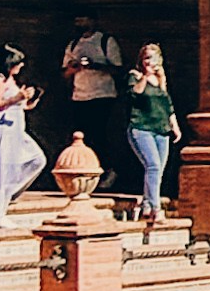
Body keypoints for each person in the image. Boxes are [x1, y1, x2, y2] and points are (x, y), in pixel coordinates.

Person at [0, 48, 46, 230]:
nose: (21, 66)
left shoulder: (12, 81)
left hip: (16, 128)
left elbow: (21, 106)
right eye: (18, 62)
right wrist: (16, 97)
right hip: (1, 128)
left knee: (36, 159)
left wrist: (31, 99)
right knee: (1, 170)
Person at [62, 17, 126, 182]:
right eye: (77, 21)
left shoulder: (105, 41)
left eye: (83, 21)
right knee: (81, 135)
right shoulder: (74, 44)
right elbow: (64, 73)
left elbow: (118, 69)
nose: (80, 25)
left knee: (100, 134)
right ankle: (84, 170)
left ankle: (106, 170)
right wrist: (73, 68)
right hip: (80, 95)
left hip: (102, 94)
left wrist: (95, 65)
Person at [127, 40, 178, 221]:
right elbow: (135, 94)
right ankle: (156, 207)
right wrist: (145, 76)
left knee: (158, 169)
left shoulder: (160, 79)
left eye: (153, 58)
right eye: (146, 58)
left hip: (161, 128)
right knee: (153, 165)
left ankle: (148, 205)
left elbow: (165, 103)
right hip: (142, 127)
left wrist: (174, 124)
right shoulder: (135, 75)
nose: (149, 61)